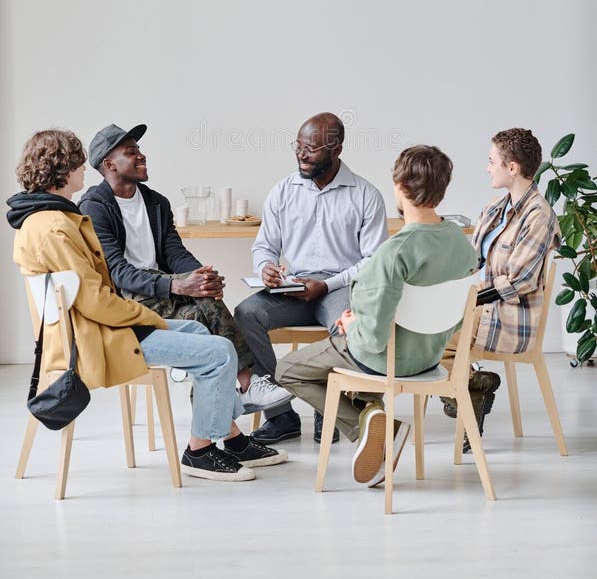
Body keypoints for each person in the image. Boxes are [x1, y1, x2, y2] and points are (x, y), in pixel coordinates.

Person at [7, 129, 288, 482]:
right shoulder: (56, 227)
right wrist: (144, 315)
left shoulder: (53, 219)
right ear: (63, 169)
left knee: (201, 330)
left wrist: (193, 281)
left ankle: (231, 437)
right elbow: (96, 300)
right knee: (218, 352)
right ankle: (199, 452)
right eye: (78, 163)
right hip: (98, 336)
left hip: (105, 325)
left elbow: (112, 284)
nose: (83, 169)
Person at [275, 145, 477, 485]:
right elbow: (453, 314)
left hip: (385, 360)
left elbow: (371, 339)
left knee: (288, 370)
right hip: (429, 357)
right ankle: (374, 418)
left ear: (400, 185)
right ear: (443, 188)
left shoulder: (393, 252)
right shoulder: (459, 241)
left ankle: (371, 426)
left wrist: (350, 323)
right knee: (354, 350)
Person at [79, 123, 290, 416]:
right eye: (131, 152)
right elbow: (118, 272)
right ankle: (246, 383)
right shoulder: (94, 206)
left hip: (161, 292)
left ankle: (219, 415)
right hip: (127, 299)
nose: (141, 156)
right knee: (204, 303)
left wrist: (201, 276)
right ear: (109, 164)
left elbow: (174, 253)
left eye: (140, 149)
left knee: (203, 318)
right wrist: (178, 285)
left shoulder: (156, 202)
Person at [234, 112, 388, 444]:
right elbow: (264, 245)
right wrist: (266, 267)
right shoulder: (283, 191)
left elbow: (374, 261)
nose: (302, 155)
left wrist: (327, 285)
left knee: (346, 325)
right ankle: (280, 416)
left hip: (341, 286)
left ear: (337, 149)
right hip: (295, 287)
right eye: (299, 146)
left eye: (312, 149)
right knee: (246, 313)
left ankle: (328, 410)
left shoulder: (365, 194)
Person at [440, 127, 561, 450]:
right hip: (482, 308)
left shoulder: (540, 216)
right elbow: (471, 262)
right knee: (423, 332)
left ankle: (470, 393)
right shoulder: (494, 208)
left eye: (492, 161)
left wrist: (470, 300)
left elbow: (519, 281)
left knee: (429, 339)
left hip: (509, 317)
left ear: (513, 167)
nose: (487, 167)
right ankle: (474, 388)